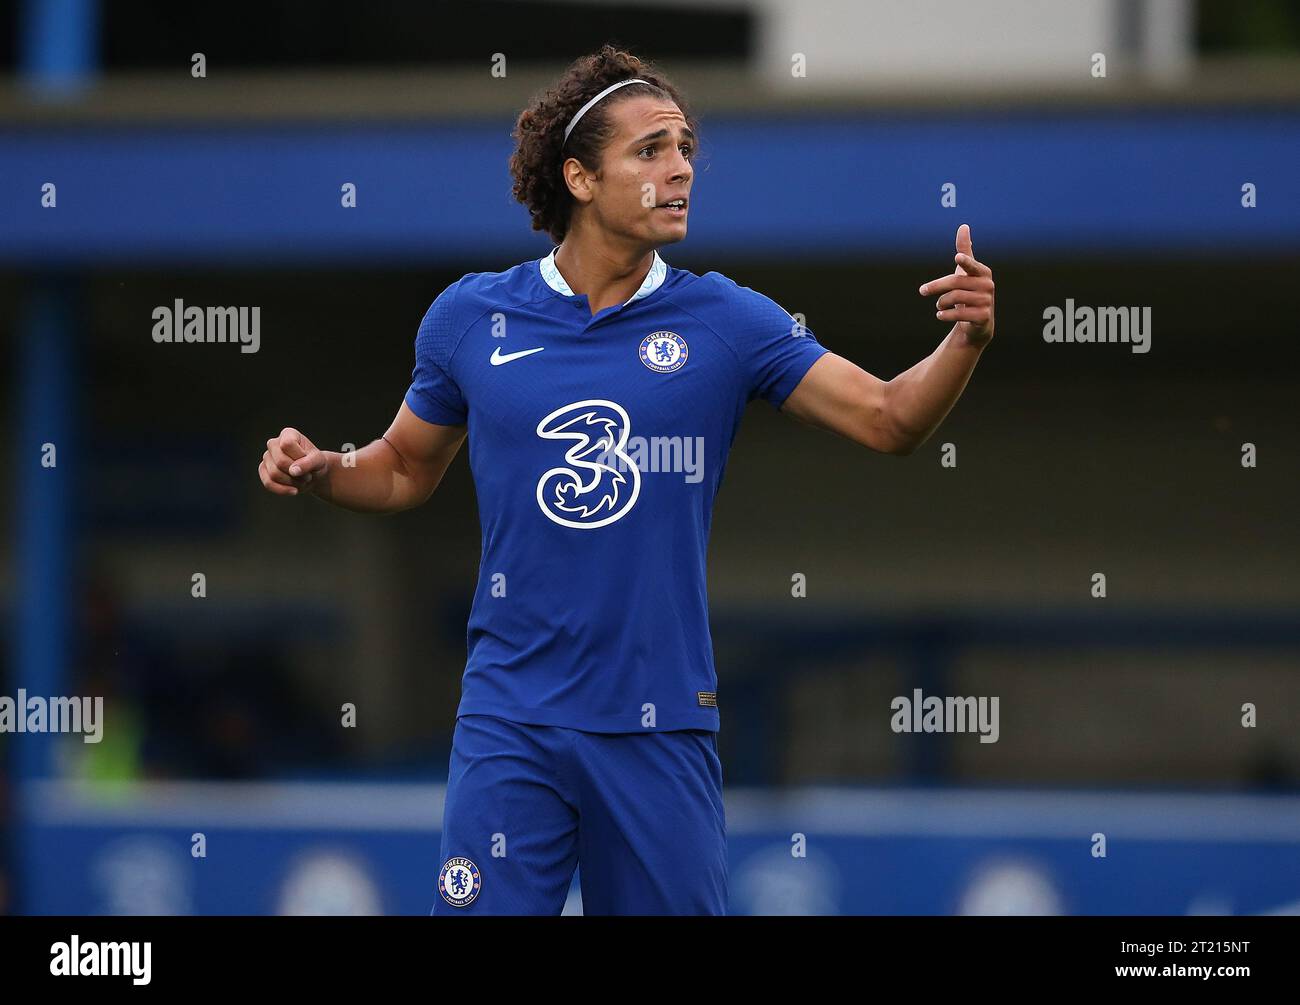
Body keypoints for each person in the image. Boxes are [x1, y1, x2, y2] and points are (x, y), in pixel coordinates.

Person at [258, 45, 995, 915]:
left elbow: (889, 419)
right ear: (578, 175)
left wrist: (964, 343)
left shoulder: (727, 319)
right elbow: (404, 467)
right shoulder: (470, 317)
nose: (680, 166)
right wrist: (324, 469)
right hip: (512, 716)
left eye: (684, 146)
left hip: (659, 723)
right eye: (650, 149)